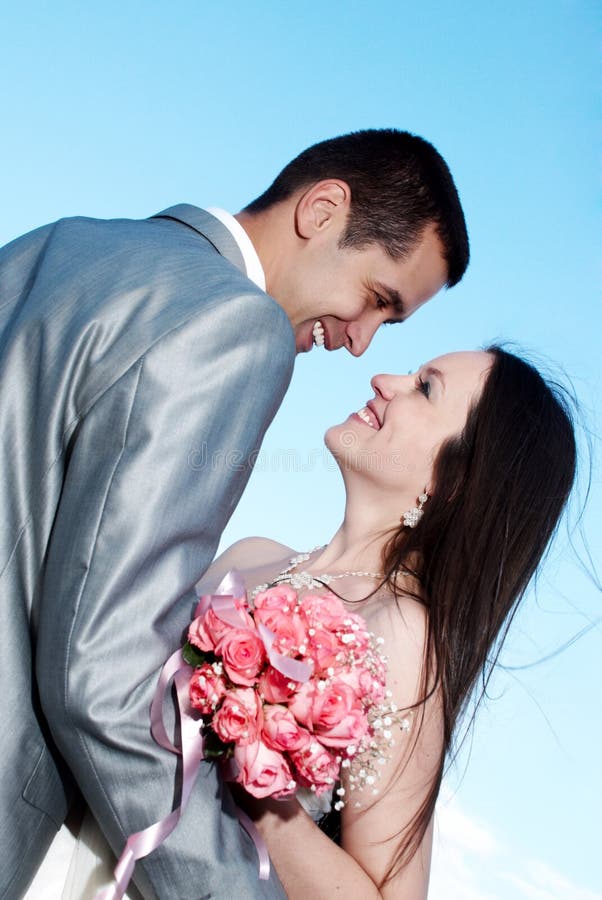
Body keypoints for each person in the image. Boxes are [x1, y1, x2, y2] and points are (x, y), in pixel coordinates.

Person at [0, 129, 469, 899]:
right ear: (322, 210)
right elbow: (104, 670)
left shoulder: (60, 244)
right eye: (377, 300)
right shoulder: (237, 325)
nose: (360, 346)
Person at [43, 345, 576, 899]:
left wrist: (255, 769)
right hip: (62, 833)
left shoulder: (403, 634)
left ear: (456, 481)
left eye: (424, 387)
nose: (384, 379)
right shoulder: (249, 557)